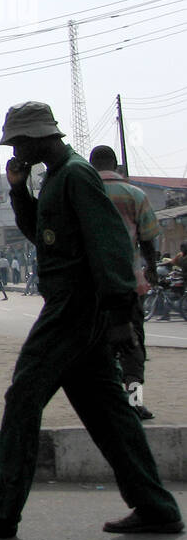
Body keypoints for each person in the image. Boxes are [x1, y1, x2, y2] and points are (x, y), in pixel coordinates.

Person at [0, 103, 182, 538]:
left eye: (18, 142)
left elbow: (106, 241)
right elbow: (42, 235)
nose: (16, 149)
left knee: (23, 397)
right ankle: (155, 505)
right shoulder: (55, 178)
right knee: (109, 413)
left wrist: (118, 311)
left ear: (37, 137)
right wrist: (18, 191)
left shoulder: (75, 175)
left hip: (74, 308)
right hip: (76, 308)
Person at [89, 145, 159, 420]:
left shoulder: (85, 193)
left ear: (92, 166)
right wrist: (151, 268)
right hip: (130, 284)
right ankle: (135, 401)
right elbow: (148, 239)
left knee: (96, 345)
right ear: (116, 165)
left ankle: (104, 405)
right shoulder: (135, 194)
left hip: (92, 285)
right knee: (133, 344)